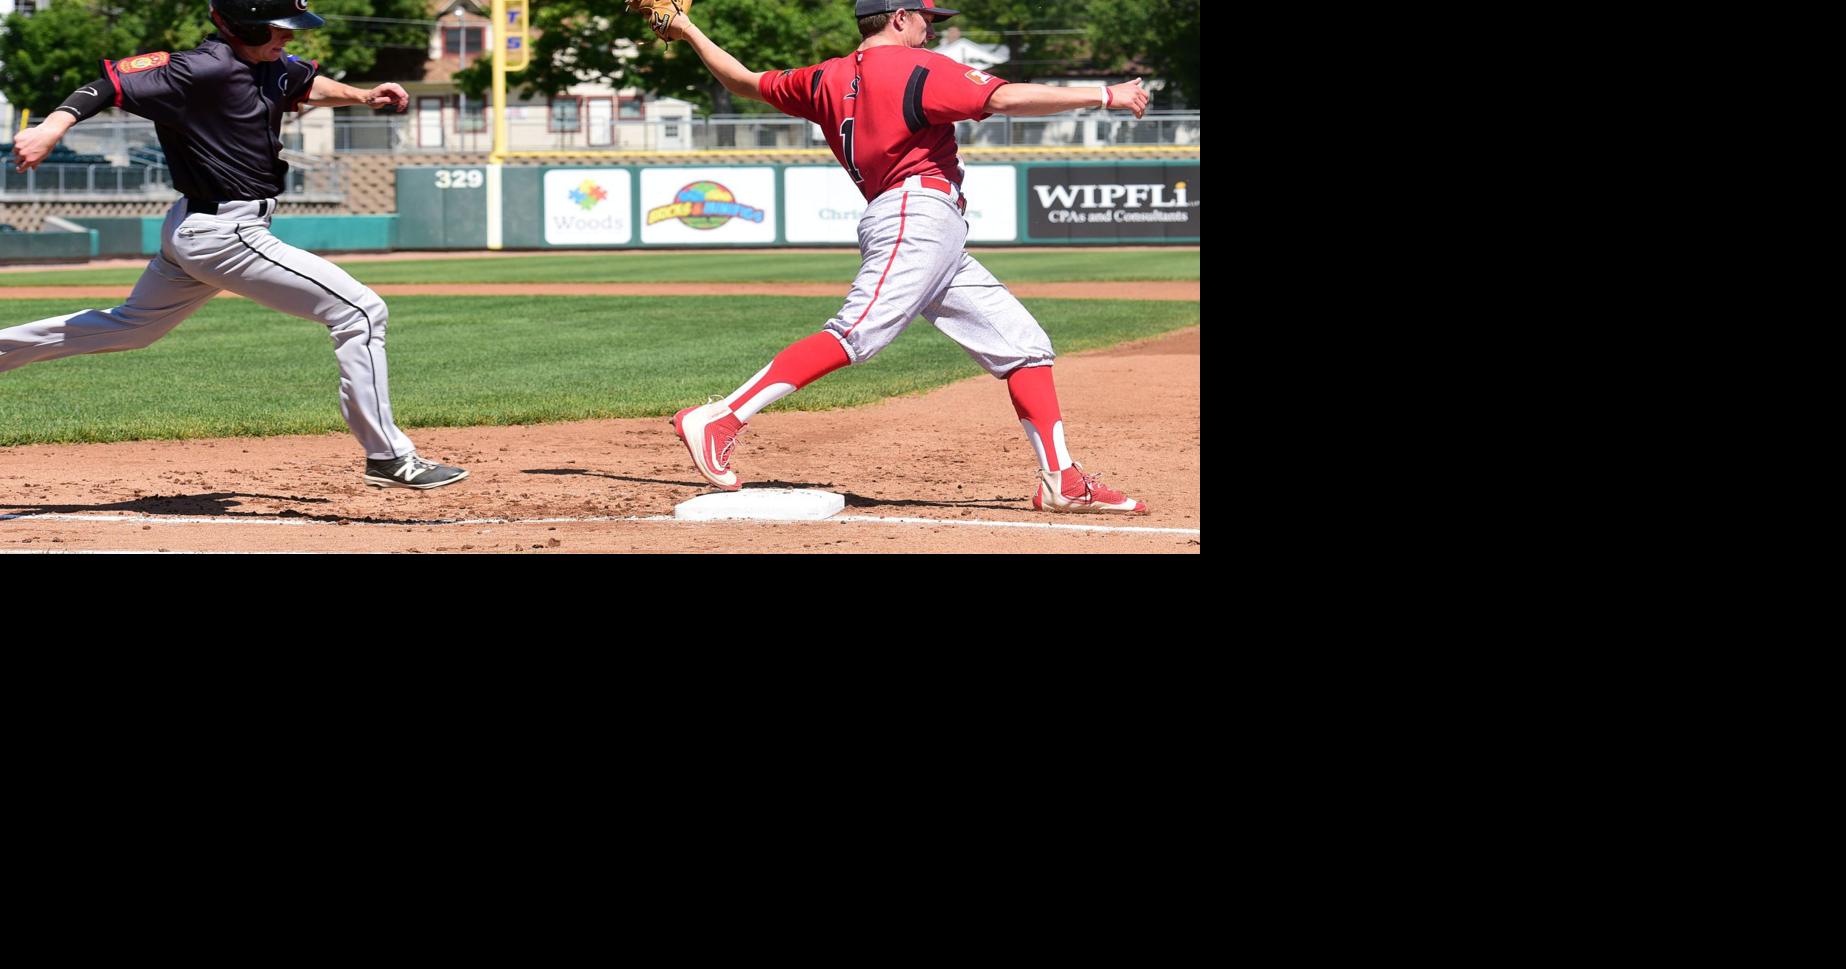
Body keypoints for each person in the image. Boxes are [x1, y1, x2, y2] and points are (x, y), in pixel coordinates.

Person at [666, 0, 1152, 513]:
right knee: (857, 331)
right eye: (926, 19)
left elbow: (742, 81)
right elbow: (1005, 99)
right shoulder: (918, 67)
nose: (930, 28)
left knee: (1024, 346)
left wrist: (686, 28)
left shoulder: (822, 78)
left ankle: (1062, 481)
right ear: (898, 17)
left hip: (921, 224)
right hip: (916, 213)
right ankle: (721, 416)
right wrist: (1104, 95)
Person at [1, 0, 467, 490]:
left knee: (132, 329)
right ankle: (389, 457)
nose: (289, 37)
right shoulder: (198, 68)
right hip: (225, 234)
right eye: (278, 29)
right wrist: (49, 128)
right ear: (243, 24)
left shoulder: (266, 62)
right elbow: (107, 85)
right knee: (361, 312)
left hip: (199, 229)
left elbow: (304, 84)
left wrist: (363, 96)